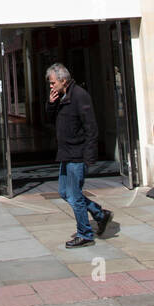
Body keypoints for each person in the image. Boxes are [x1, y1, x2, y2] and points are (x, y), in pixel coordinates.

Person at [45, 63, 113, 248]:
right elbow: (50, 120)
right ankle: (100, 214)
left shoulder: (80, 96)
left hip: (77, 154)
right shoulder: (61, 97)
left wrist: (89, 157)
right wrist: (51, 104)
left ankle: (85, 234)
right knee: (64, 192)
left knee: (74, 196)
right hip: (66, 153)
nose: (51, 86)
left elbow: (91, 128)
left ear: (63, 80)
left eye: (52, 83)